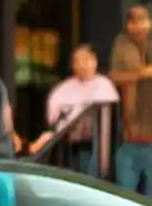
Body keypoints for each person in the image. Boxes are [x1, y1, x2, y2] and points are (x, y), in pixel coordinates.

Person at [109, 5, 152, 202]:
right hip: (129, 135)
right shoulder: (121, 45)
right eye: (135, 21)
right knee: (125, 198)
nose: (140, 25)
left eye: (143, 20)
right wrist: (143, 73)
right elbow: (114, 76)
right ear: (128, 24)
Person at [32, 44, 119, 176]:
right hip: (72, 148)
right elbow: (54, 121)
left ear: (94, 61)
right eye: (78, 61)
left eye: (86, 59)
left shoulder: (105, 85)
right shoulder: (62, 90)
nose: (83, 65)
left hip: (102, 148)